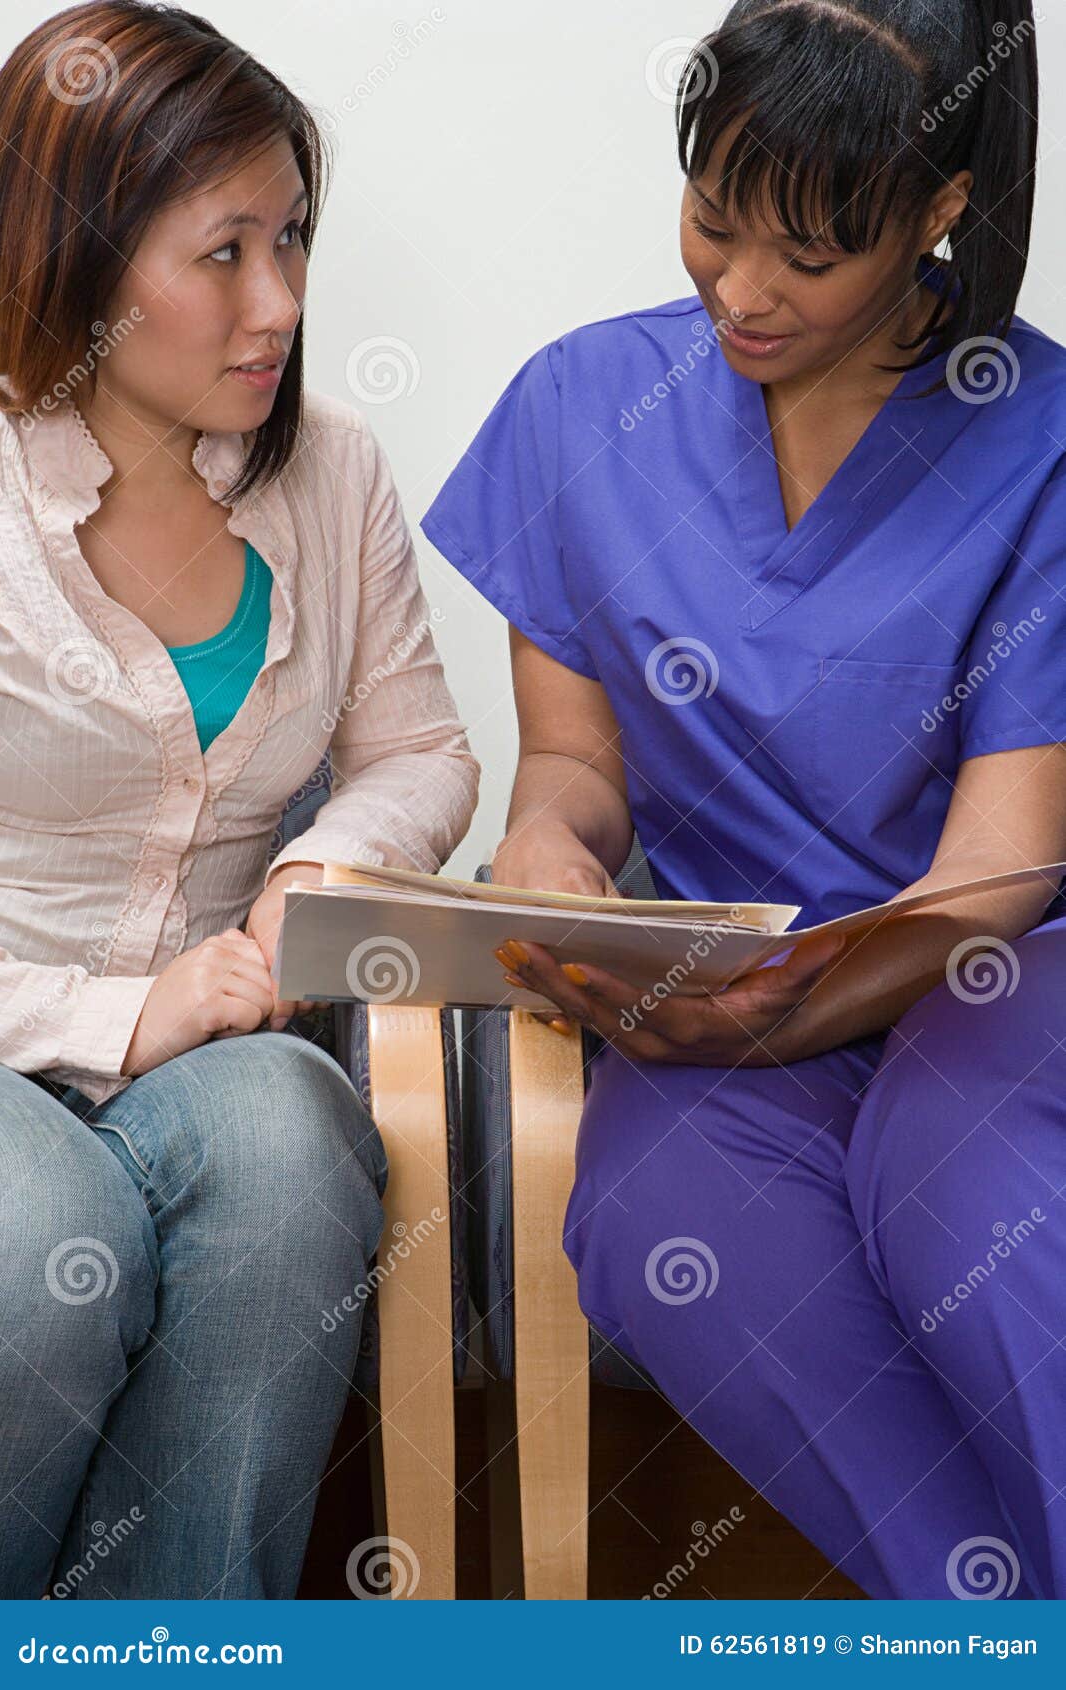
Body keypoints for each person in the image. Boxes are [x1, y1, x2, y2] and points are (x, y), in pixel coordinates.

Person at [421, 0, 1066, 1599]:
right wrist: (547, 856)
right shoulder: (584, 408)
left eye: (812, 253)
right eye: (716, 218)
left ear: (941, 213)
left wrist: (793, 1010)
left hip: (986, 978)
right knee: (659, 1222)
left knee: (951, 1180)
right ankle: (985, 1629)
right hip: (723, 996)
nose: (744, 289)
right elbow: (576, 770)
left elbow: (997, 870)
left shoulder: (1045, 444)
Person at [0, 2, 477, 1598]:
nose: (277, 304)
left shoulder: (329, 470)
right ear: (72, 254)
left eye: (292, 241)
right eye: (223, 253)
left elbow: (422, 748)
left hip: (215, 1035)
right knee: (39, 1243)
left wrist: (320, 866)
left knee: (288, 1143)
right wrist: (109, 1018)